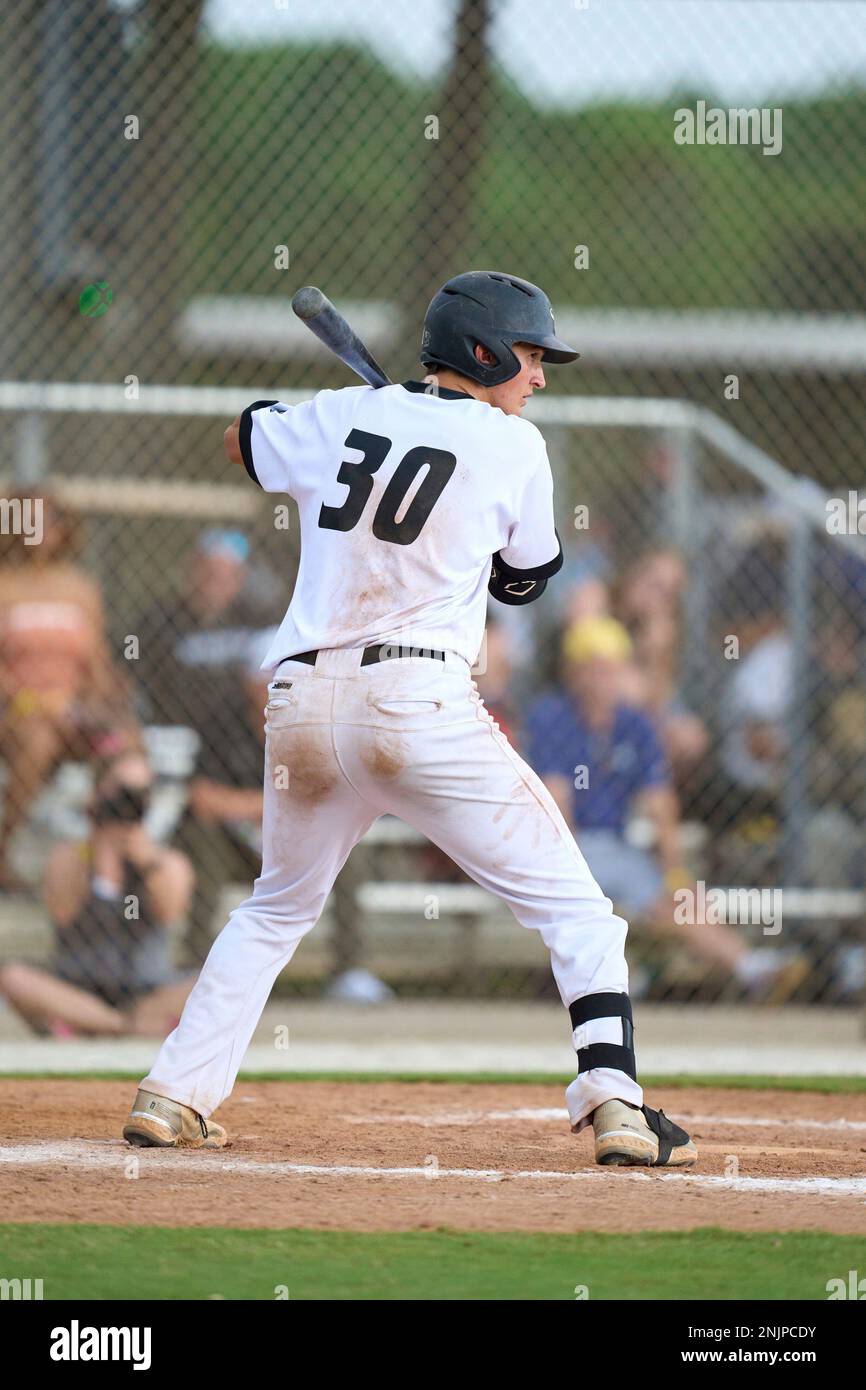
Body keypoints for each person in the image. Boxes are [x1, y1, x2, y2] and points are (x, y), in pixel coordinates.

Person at [122, 270, 696, 1168]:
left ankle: (172, 1093)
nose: (539, 377)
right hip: (419, 703)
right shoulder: (514, 446)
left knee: (275, 909)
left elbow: (237, 436)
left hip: (302, 703)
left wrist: (337, 418)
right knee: (579, 910)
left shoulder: (340, 413)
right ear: (486, 351)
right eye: (532, 356)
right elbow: (525, 576)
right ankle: (617, 1102)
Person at [524, 615, 807, 998]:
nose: (604, 680)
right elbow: (556, 800)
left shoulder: (633, 724)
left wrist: (673, 870)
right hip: (564, 845)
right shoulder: (553, 716)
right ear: (574, 673)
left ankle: (745, 967)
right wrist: (571, 870)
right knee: (650, 894)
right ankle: (745, 966)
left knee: (677, 895)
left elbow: (660, 802)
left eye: (612, 670)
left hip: (616, 846)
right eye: (594, 670)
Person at [0, 748, 195, 1037]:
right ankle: (124, 1027)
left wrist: (144, 860)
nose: (127, 801)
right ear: (98, 793)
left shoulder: (167, 861)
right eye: (120, 791)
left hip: (149, 989)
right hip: (75, 986)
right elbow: (63, 913)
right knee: (13, 977)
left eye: (138, 792)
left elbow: (168, 912)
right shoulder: (70, 854)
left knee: (220, 978)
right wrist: (99, 855)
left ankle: (92, 1024)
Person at [0, 492, 135, 892]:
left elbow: (96, 662)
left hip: (73, 712)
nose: (41, 529)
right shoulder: (5, 585)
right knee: (39, 739)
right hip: (16, 714)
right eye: (31, 519)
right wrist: (30, 701)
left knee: (124, 742)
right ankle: (3, 848)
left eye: (52, 518)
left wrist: (107, 697)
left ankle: (108, 858)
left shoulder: (81, 589)